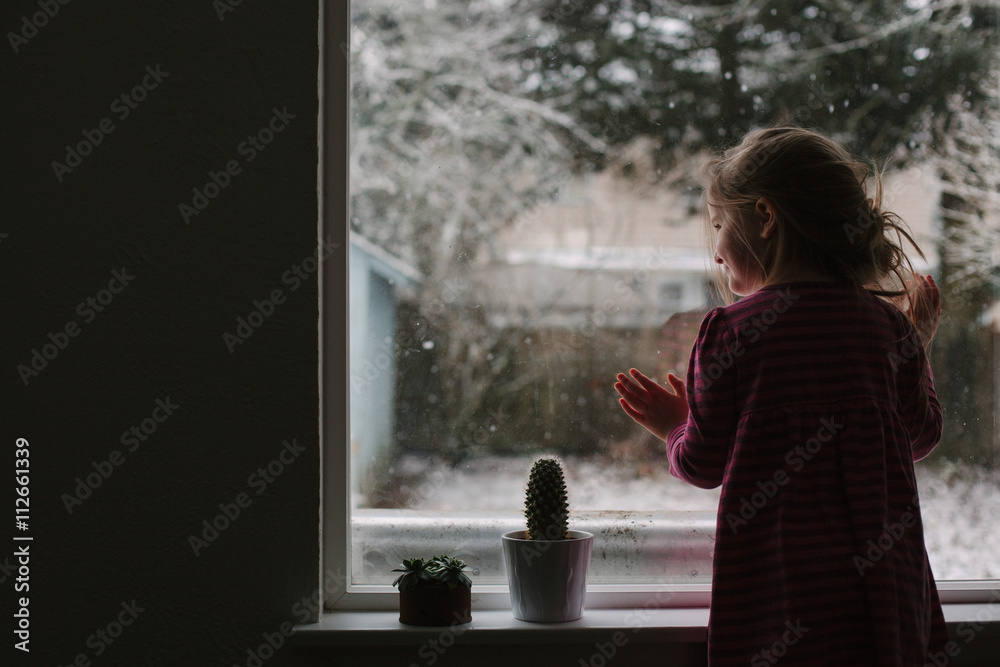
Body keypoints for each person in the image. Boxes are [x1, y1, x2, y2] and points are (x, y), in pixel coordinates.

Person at [614, 126, 946, 666]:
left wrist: (674, 424)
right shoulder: (885, 328)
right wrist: (917, 344)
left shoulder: (731, 332)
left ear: (765, 219)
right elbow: (921, 435)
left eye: (719, 224)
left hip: (781, 603)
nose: (716, 249)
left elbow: (701, 464)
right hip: (883, 601)